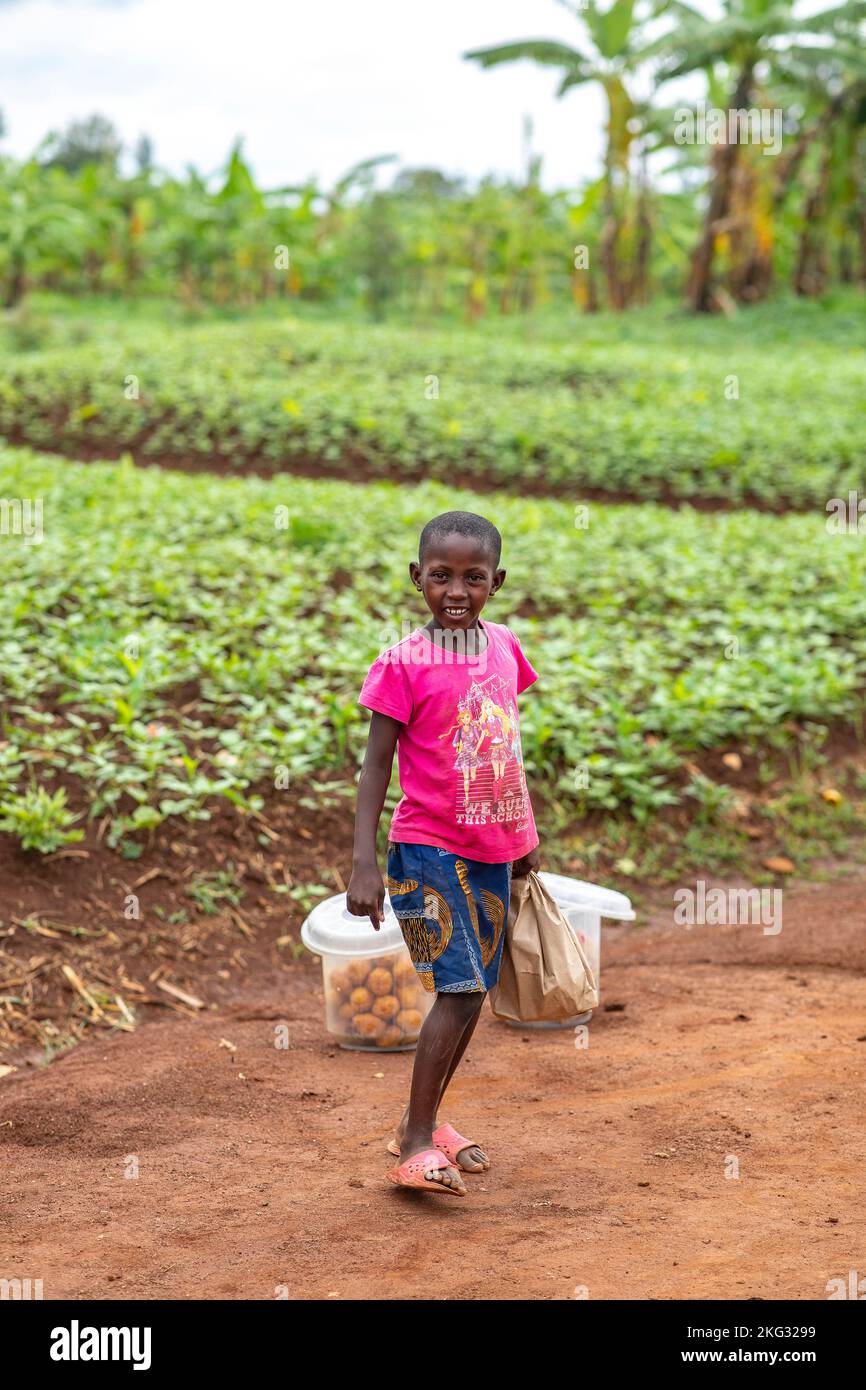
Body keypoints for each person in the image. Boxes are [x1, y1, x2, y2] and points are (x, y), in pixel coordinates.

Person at [347, 509, 540, 1197]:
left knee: (474, 995)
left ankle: (419, 1126)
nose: (456, 590)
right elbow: (375, 767)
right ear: (416, 578)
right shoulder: (402, 664)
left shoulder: (505, 649)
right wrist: (363, 860)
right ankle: (419, 1140)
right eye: (440, 576)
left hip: (492, 847)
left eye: (473, 577)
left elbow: (505, 747)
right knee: (457, 993)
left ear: (497, 582)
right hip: (426, 849)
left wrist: (524, 838)